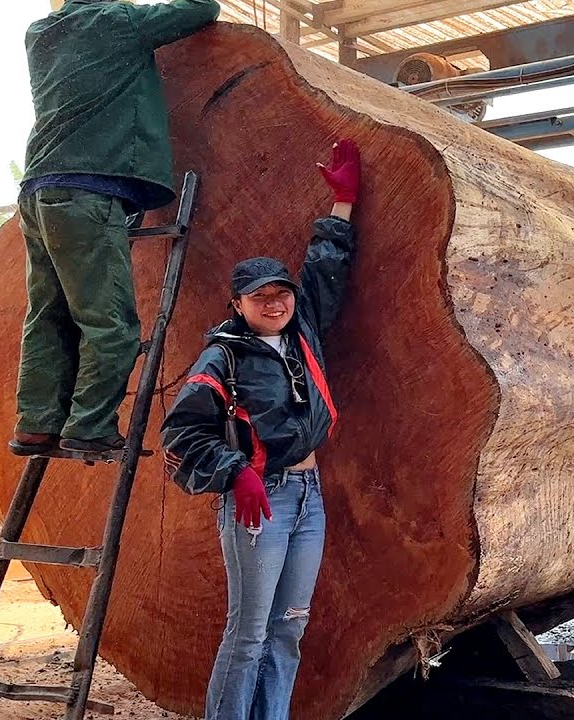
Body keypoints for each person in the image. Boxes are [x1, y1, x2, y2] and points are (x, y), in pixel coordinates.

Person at [160, 139, 361, 720]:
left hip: (309, 497)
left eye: (281, 293)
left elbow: (325, 269)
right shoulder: (222, 358)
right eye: (260, 296)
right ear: (238, 304)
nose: (274, 303)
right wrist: (236, 473)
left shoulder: (303, 332)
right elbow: (181, 433)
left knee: (289, 629)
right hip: (260, 500)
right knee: (248, 634)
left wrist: (343, 202)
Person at [10, 0, 220, 456]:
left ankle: (36, 424)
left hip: (37, 190)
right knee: (112, 324)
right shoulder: (118, 21)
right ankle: (90, 426)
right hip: (86, 193)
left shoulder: (39, 34)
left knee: (47, 316)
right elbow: (202, 8)